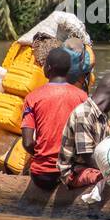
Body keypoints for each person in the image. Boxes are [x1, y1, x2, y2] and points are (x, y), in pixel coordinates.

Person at [21, 48, 88, 190]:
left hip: (42, 176)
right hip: (70, 172)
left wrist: (43, 155)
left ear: (49, 68)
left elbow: (27, 143)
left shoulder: (33, 97)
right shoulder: (82, 97)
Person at [58, 72, 110, 189]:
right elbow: (87, 156)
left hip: (88, 166)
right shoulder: (84, 113)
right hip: (73, 172)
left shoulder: (102, 115)